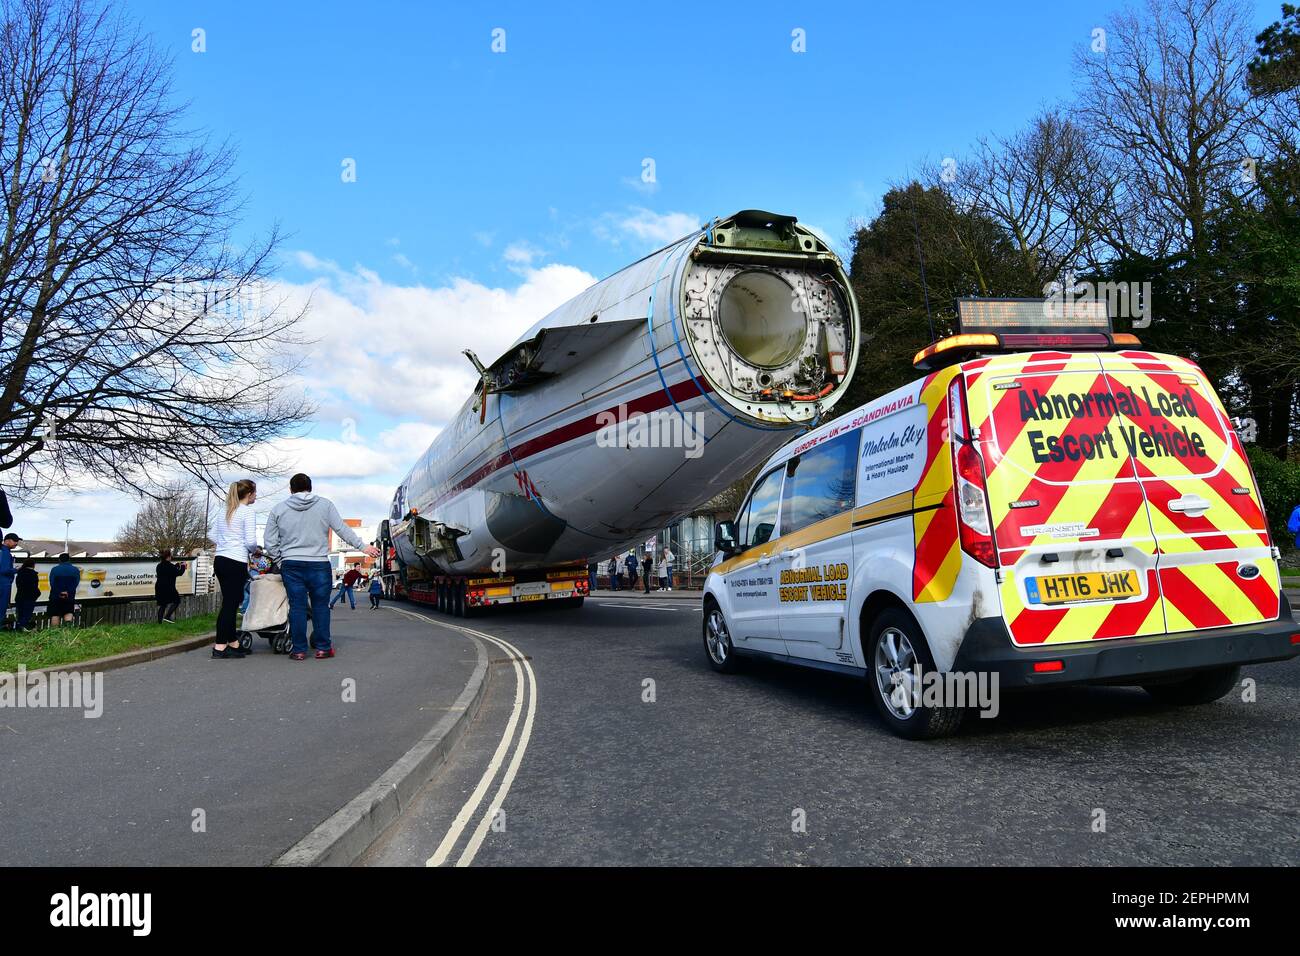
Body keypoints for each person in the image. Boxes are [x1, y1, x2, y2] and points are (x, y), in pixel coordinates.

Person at [264, 473, 379, 661]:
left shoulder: (278, 509)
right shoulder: (325, 505)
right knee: (320, 606)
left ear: (291, 489)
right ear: (310, 487)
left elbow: (269, 540)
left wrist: (280, 560)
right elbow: (341, 528)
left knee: (297, 607)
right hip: (318, 563)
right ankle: (323, 648)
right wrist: (363, 547)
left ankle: (299, 650)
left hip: (291, 564)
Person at [212, 479, 260, 660]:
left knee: (229, 602)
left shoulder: (222, 510)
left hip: (221, 559)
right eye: (255, 492)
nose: (256, 495)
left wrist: (225, 541)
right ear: (248, 494)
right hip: (236, 560)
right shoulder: (247, 512)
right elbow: (250, 541)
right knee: (231, 605)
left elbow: (212, 534)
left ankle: (233, 642)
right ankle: (220, 646)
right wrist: (254, 550)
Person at [47, 553, 80, 625]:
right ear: (69, 560)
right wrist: (67, 591)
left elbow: (52, 583)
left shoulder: (54, 569)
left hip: (55, 596)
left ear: (59, 560)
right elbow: (76, 583)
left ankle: (55, 632)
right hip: (69, 596)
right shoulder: (75, 570)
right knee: (68, 612)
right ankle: (67, 631)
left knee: (55, 614)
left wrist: (60, 592)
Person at [154, 549, 186, 624]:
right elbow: (179, 573)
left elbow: (168, 571)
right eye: (170, 556)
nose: (171, 557)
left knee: (163, 604)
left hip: (159, 588)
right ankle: (167, 616)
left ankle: (159, 623)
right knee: (177, 600)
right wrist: (183, 566)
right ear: (168, 557)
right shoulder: (170, 566)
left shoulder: (159, 566)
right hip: (169, 588)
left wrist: (176, 565)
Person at [14, 558, 39, 630]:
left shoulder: (20, 573)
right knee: (27, 615)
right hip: (29, 598)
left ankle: (19, 629)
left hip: (20, 596)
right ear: (33, 565)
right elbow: (34, 587)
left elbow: (18, 585)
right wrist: (37, 594)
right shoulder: (33, 574)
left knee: (20, 615)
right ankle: (24, 628)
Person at [0, 532, 17, 628]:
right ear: (7, 540)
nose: (16, 543)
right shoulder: (5, 552)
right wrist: (16, 570)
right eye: (14, 541)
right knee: (1, 608)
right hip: (3, 584)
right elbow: (4, 570)